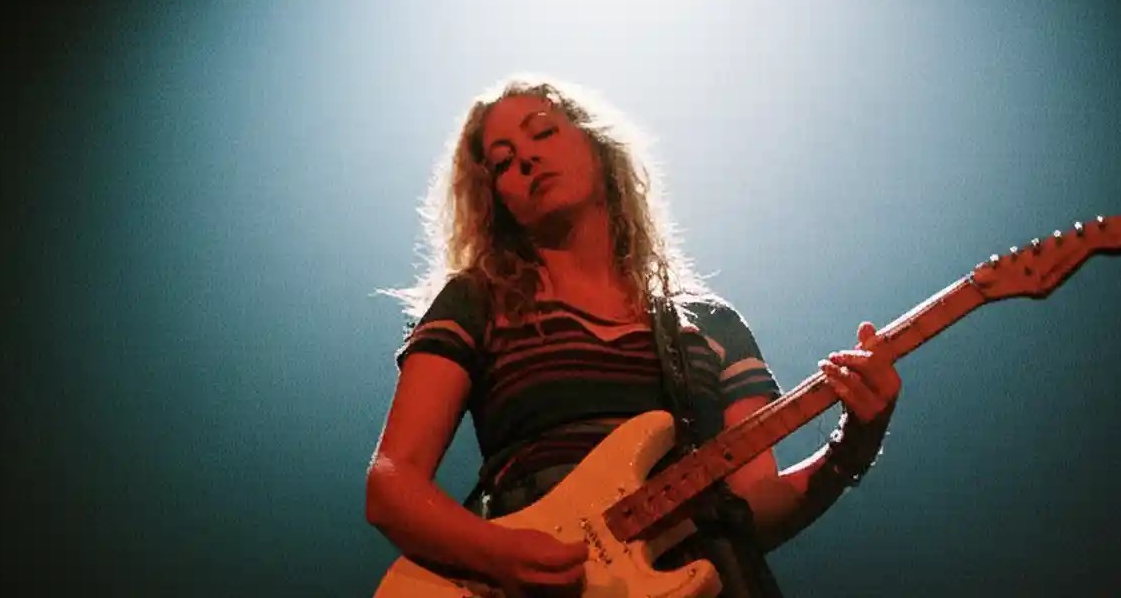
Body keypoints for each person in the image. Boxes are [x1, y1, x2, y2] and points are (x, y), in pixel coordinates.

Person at [365, 75, 902, 597]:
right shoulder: (480, 301)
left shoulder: (711, 327)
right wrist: (497, 554)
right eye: (502, 162)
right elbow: (392, 484)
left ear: (597, 144)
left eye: (543, 132)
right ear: (496, 198)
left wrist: (854, 442)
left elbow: (755, 512)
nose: (524, 158)